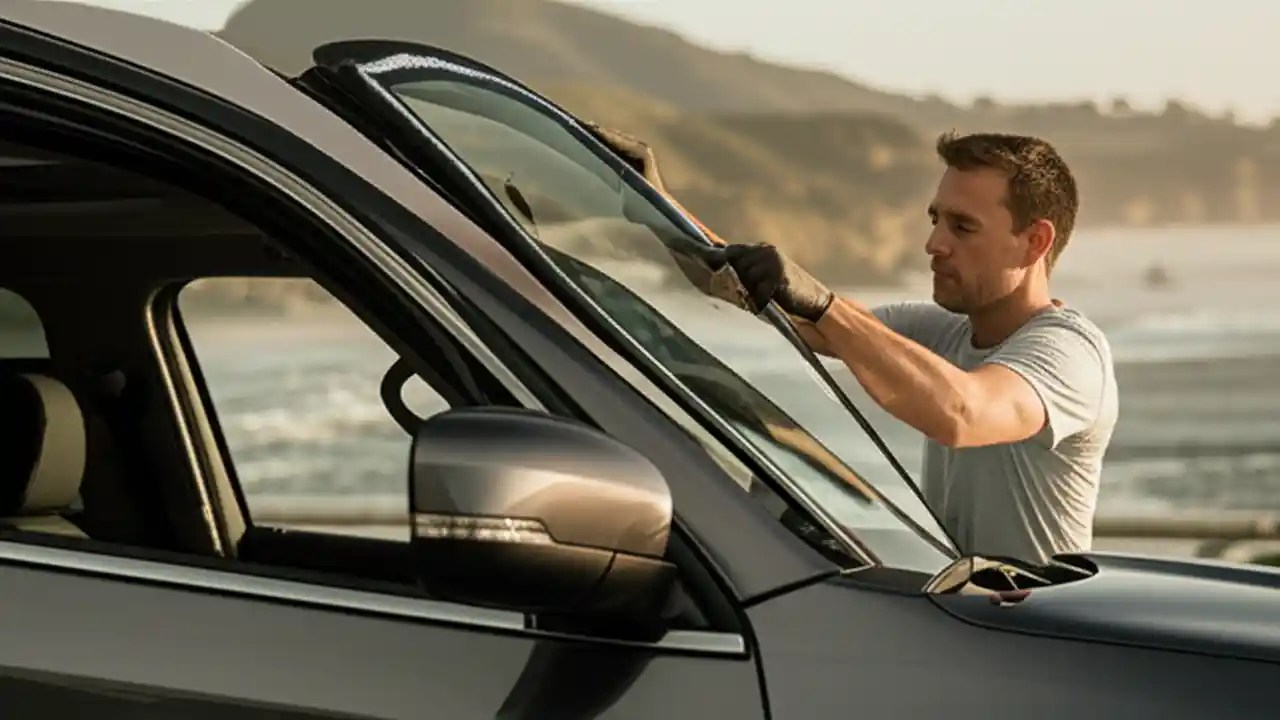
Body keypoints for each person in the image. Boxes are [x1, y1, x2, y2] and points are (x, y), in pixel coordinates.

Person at [588, 125, 1118, 566]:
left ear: (1035, 241)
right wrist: (657, 209)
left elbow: (962, 412)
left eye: (963, 226)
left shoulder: (1068, 354)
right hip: (966, 629)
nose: (935, 243)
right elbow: (764, 300)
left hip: (1041, 639)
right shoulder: (942, 332)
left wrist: (825, 304)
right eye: (936, 220)